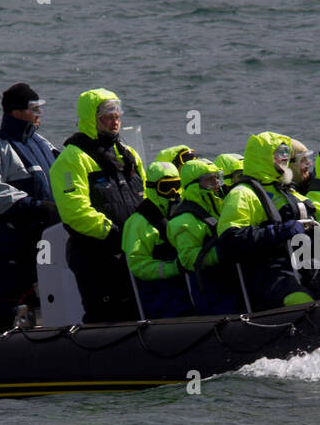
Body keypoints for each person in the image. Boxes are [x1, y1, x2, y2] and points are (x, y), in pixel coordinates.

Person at [49, 89, 145, 323]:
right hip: (96, 255)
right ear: (93, 119)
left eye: (117, 116)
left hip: (131, 251)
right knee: (104, 316)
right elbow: (75, 210)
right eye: (108, 117)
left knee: (135, 311)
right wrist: (114, 234)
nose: (115, 122)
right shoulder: (73, 159)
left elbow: (145, 196)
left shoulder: (127, 155)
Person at [0, 82, 59, 332]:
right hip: (17, 243)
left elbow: (65, 169)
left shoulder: (42, 142)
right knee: (7, 302)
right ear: (15, 112)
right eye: (34, 109)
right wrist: (37, 206)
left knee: (55, 293)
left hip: (49, 238)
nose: (38, 114)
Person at [216, 132, 317, 309]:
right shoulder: (243, 194)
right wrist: (277, 232)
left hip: (302, 267)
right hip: (267, 274)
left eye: (287, 153)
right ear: (264, 156)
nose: (285, 158)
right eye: (280, 153)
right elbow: (229, 241)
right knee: (301, 302)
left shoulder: (286, 190)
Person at [168, 158, 241, 314]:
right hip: (211, 289)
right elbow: (188, 259)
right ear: (194, 185)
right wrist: (220, 254)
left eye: (217, 177)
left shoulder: (224, 205)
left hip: (232, 280)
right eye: (209, 180)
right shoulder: (182, 221)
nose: (216, 184)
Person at [123, 161, 192, 318]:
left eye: (176, 185)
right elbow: (137, 264)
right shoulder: (138, 222)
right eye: (166, 187)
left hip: (185, 292)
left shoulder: (182, 213)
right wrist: (174, 268)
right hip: (160, 297)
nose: (173, 192)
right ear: (153, 188)